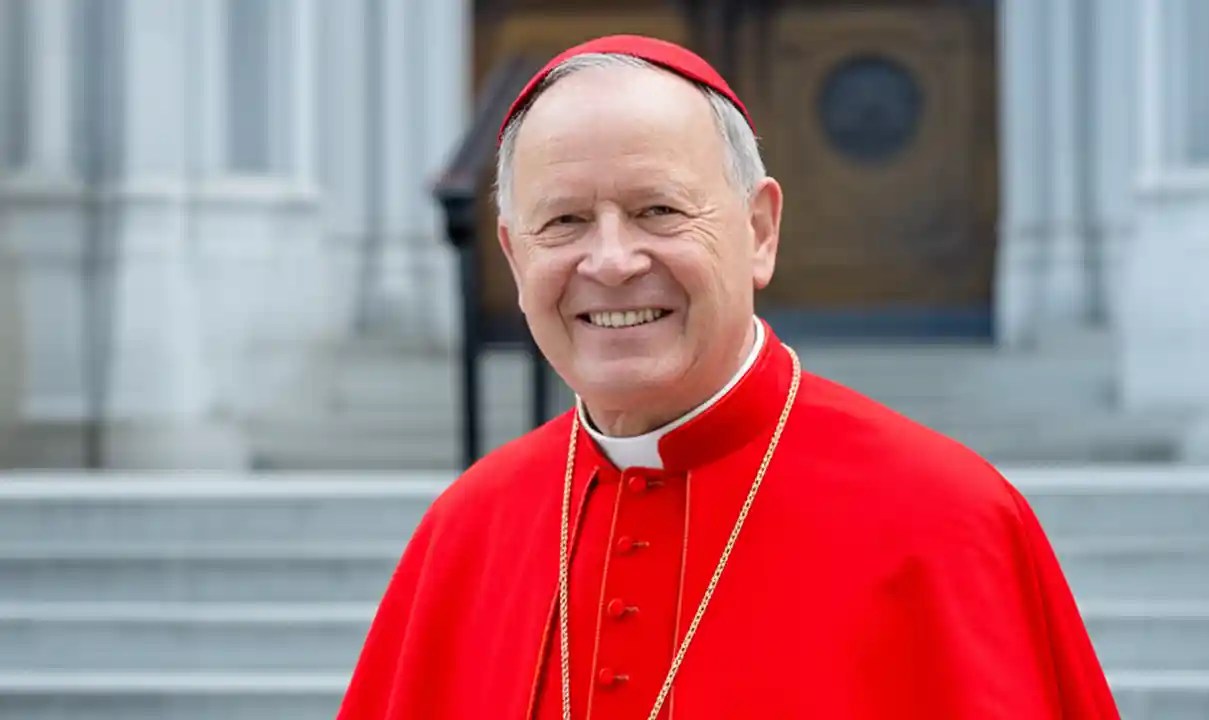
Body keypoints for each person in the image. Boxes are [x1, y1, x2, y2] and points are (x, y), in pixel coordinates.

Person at [337, 35, 1120, 720]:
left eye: (659, 211)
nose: (610, 262)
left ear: (758, 231)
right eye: (565, 222)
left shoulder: (947, 521)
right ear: (513, 256)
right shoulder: (466, 531)